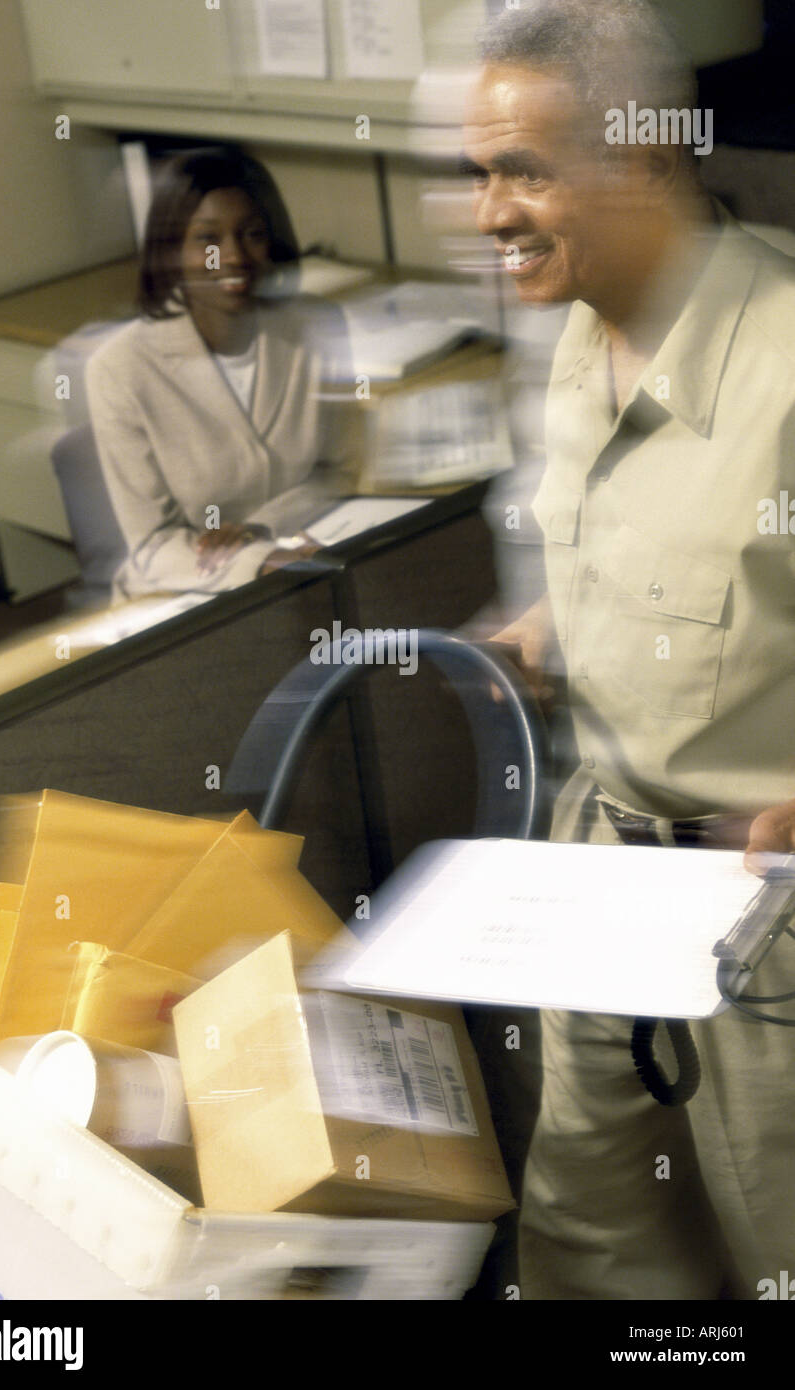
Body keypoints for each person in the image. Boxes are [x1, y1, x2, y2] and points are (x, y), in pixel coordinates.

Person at [463, 0, 795, 1299]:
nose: (490, 214)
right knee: (587, 1239)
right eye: (479, 173)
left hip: (764, 930)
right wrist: (570, 619)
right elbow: (672, 550)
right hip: (604, 871)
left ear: (642, 159)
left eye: (525, 170)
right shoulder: (575, 331)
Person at [85, 145, 353, 599]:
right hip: (184, 591)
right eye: (208, 240)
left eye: (251, 234)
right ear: (171, 250)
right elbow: (152, 545)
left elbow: (336, 474)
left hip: (303, 563)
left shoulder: (314, 325)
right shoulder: (118, 369)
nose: (233, 257)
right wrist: (258, 562)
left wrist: (259, 528)